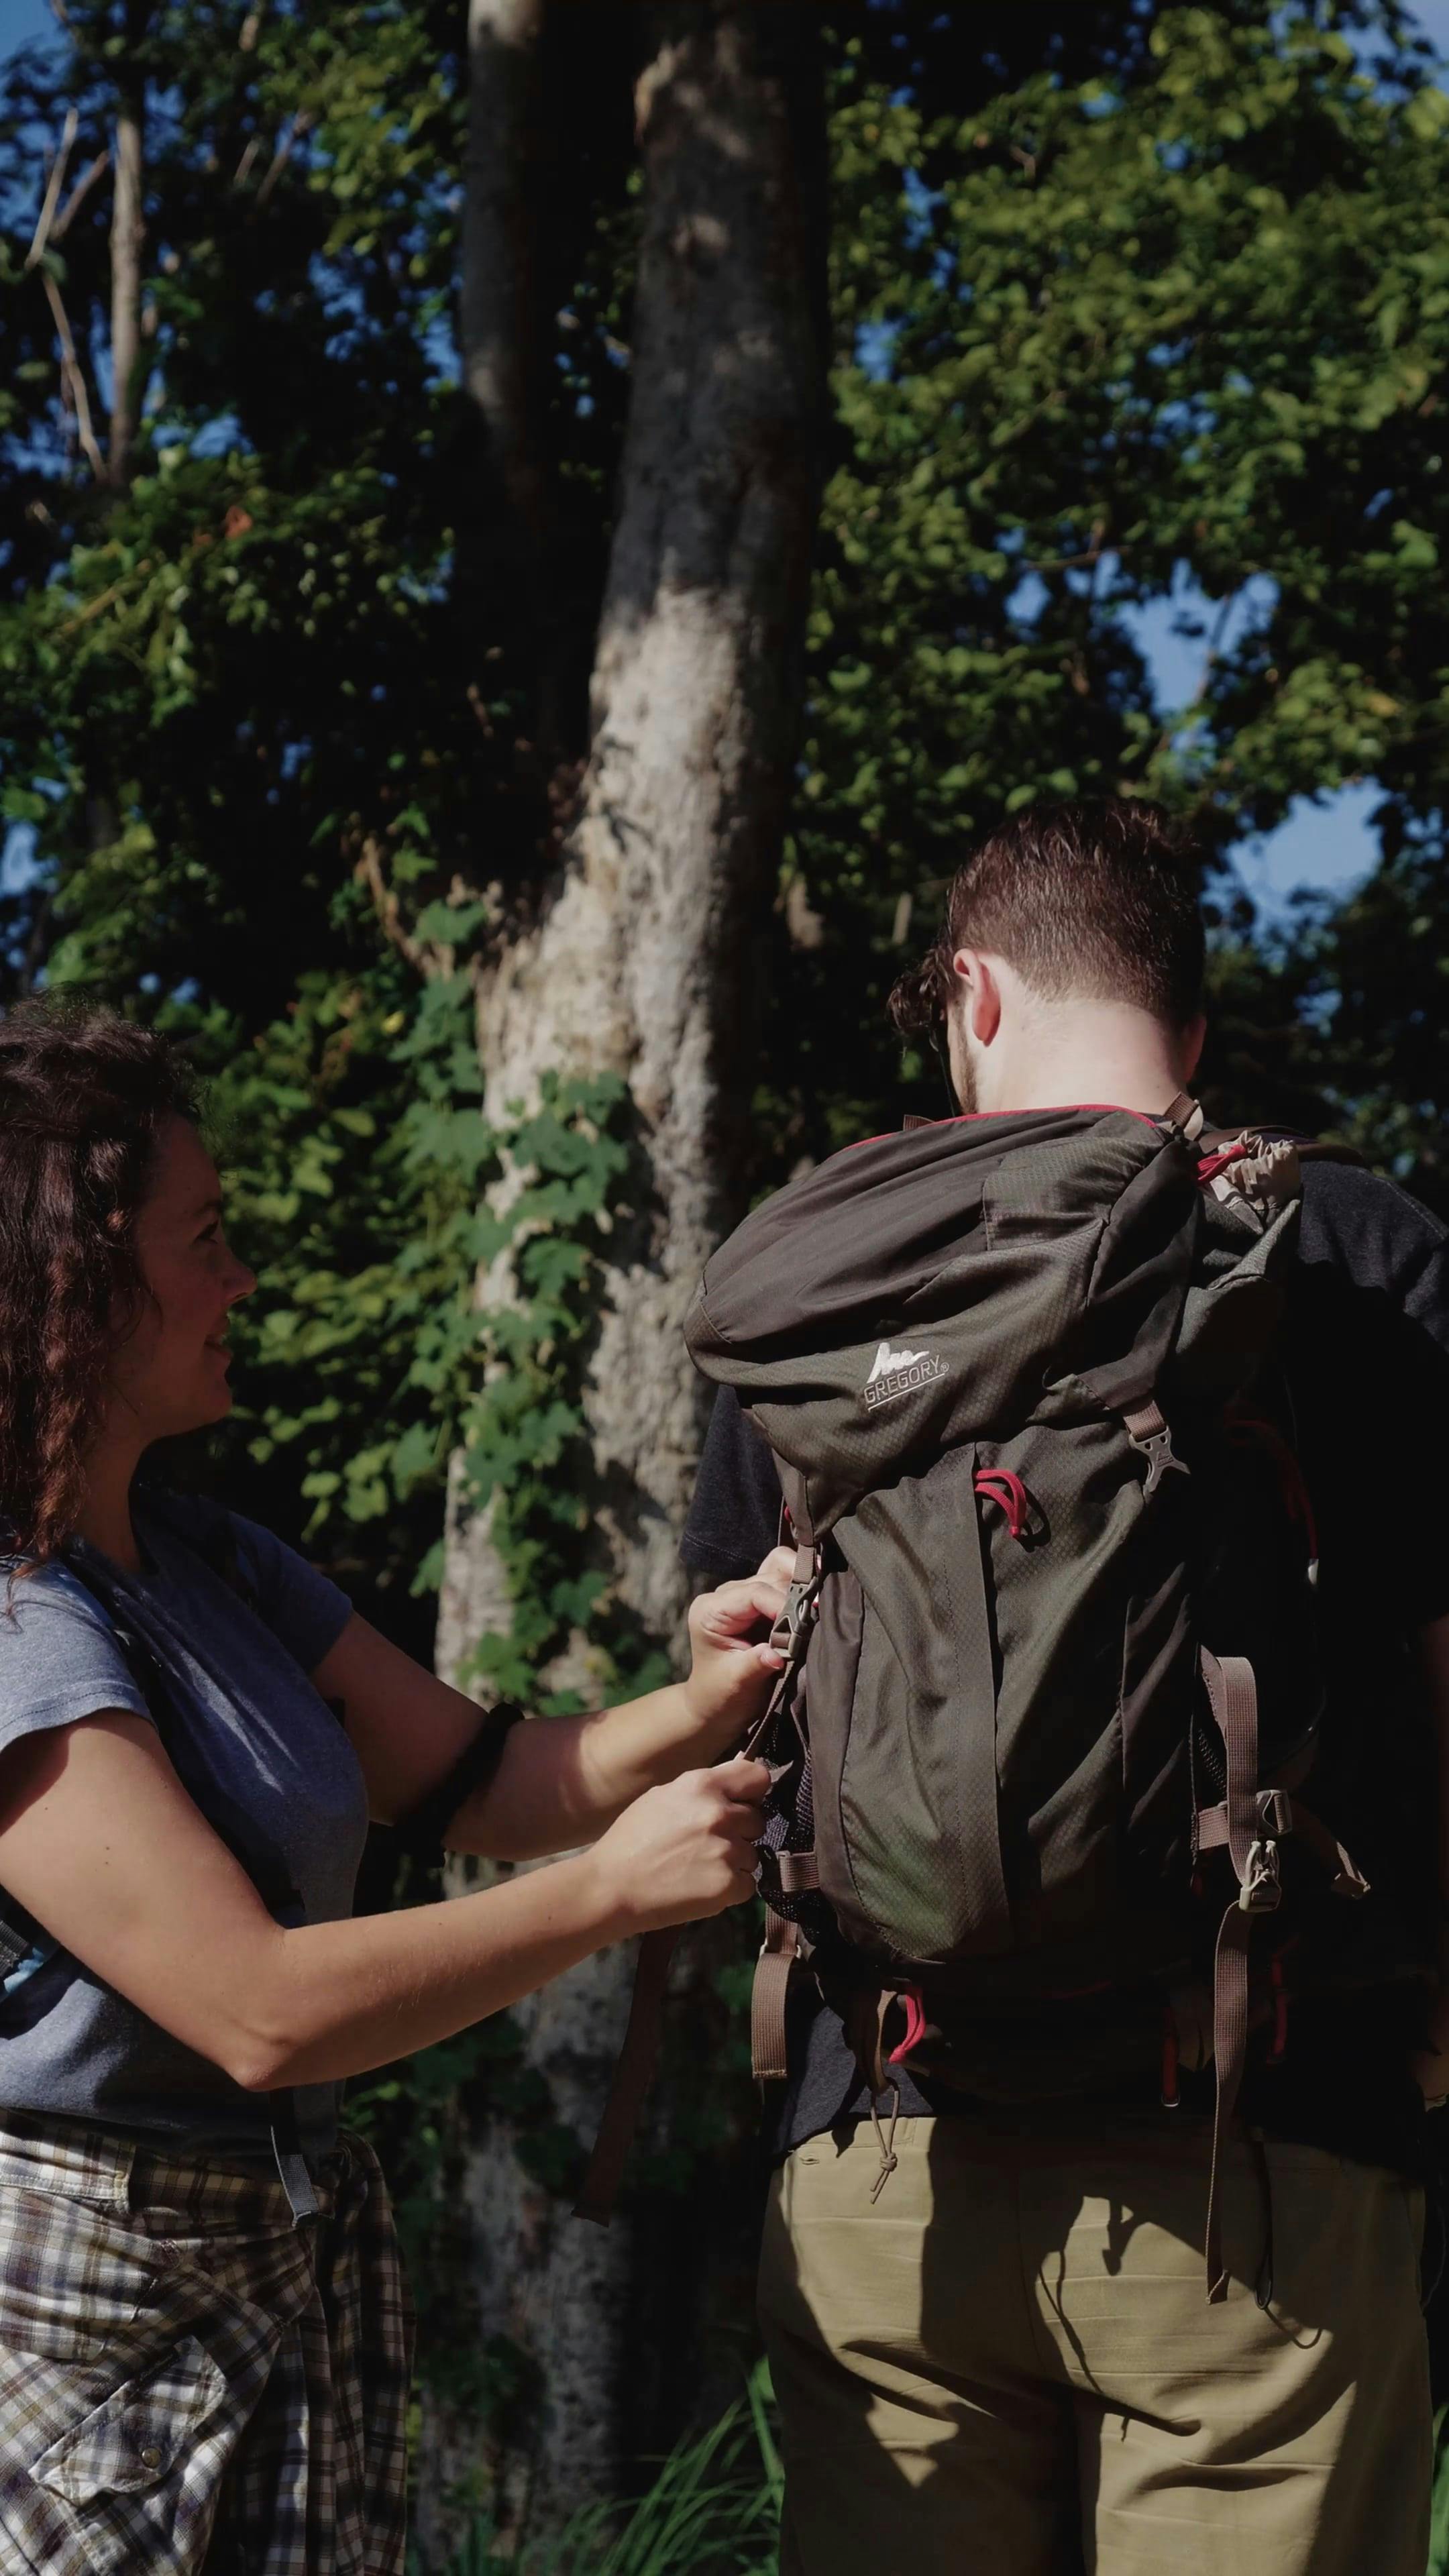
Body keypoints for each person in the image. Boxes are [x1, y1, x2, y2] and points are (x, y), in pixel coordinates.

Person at [682, 799, 1449, 2576]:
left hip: (893, 2160)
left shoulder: (835, 1271)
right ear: (1191, 1022)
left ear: (971, 990)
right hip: (1261, 2148)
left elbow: (726, 1696)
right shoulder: (1351, 1241)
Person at [0, 998, 782, 2576]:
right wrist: (612, 1895)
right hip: (76, 2341)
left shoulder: (208, 1558)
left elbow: (487, 1777)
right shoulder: (17, 1620)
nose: (242, 1281)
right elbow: (258, 2008)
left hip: (270, 2282)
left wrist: (704, 1704)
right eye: (204, 1237)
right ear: (72, 1286)